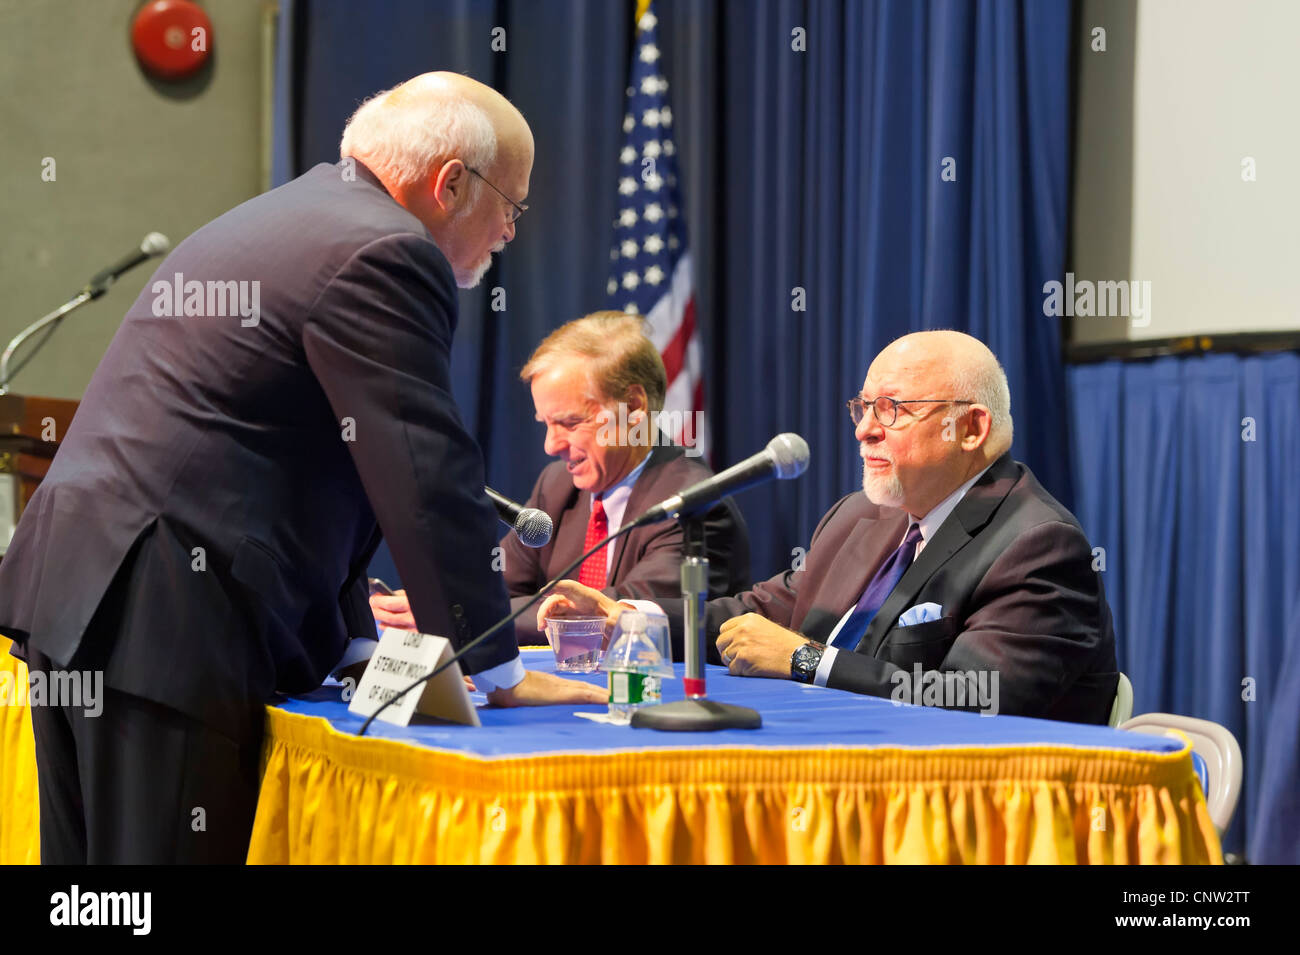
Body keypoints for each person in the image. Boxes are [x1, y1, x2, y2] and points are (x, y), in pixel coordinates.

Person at [0, 72, 604, 864]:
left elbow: (307, 461)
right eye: (512, 206)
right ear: (450, 183)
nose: (510, 232)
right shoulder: (384, 251)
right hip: (166, 616)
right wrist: (496, 665)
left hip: (86, 597)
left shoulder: (291, 217)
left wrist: (355, 644)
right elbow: (424, 471)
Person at [538, 330, 1120, 724]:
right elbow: (760, 611)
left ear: (970, 429)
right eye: (862, 408)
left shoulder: (1036, 546)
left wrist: (805, 660)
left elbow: (973, 700)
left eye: (892, 409)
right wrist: (627, 616)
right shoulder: (862, 515)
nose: (866, 429)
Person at [370, 311, 751, 644]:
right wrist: (439, 601)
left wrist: (457, 617)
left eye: (570, 422)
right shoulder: (557, 487)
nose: (552, 445)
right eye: (547, 424)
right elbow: (497, 586)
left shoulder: (691, 502)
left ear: (633, 407)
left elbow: (603, 613)